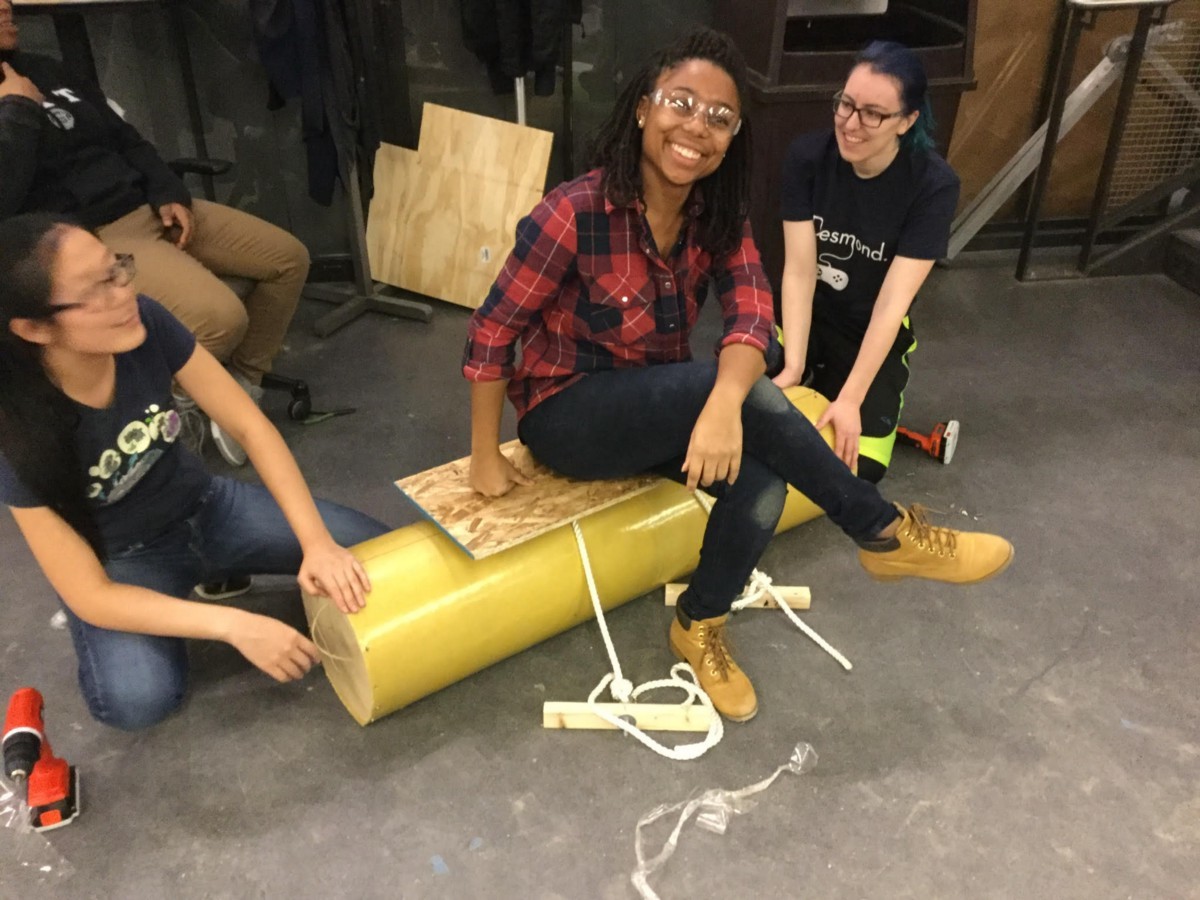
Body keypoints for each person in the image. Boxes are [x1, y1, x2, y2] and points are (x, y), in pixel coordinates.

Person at [462, 29, 1012, 724]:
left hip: (656, 406)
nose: (697, 127)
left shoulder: (715, 216)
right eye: (680, 103)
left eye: (719, 117)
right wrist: (485, 453)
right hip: (567, 414)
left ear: (734, 135)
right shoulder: (574, 212)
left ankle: (699, 623)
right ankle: (880, 531)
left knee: (761, 477)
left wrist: (724, 405)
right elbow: (492, 331)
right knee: (730, 392)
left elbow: (753, 317)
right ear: (642, 108)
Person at [0, 214, 389, 731]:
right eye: (96, 289)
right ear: (33, 328)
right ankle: (192, 595)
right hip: (123, 562)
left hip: (207, 507)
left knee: (378, 558)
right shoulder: (14, 429)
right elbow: (90, 593)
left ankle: (217, 569)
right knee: (137, 699)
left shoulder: (145, 323)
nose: (124, 292)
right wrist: (235, 626)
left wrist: (317, 543)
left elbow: (249, 426)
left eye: (117, 268)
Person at [0, 0, 309, 466]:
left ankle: (239, 386)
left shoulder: (46, 68)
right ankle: (186, 397)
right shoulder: (18, 97)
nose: (7, 6)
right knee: (221, 319)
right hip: (90, 237)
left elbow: (125, 138)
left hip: (146, 203)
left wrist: (168, 190)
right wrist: (19, 110)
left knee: (288, 258)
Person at [773, 41, 961, 483]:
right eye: (846, 104)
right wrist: (793, 367)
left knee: (861, 468)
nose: (851, 124)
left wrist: (852, 399)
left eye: (873, 113)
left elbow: (891, 305)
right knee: (741, 392)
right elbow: (799, 273)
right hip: (805, 318)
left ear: (908, 120)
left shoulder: (934, 186)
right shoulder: (806, 158)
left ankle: (849, 395)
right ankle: (812, 375)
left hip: (868, 330)